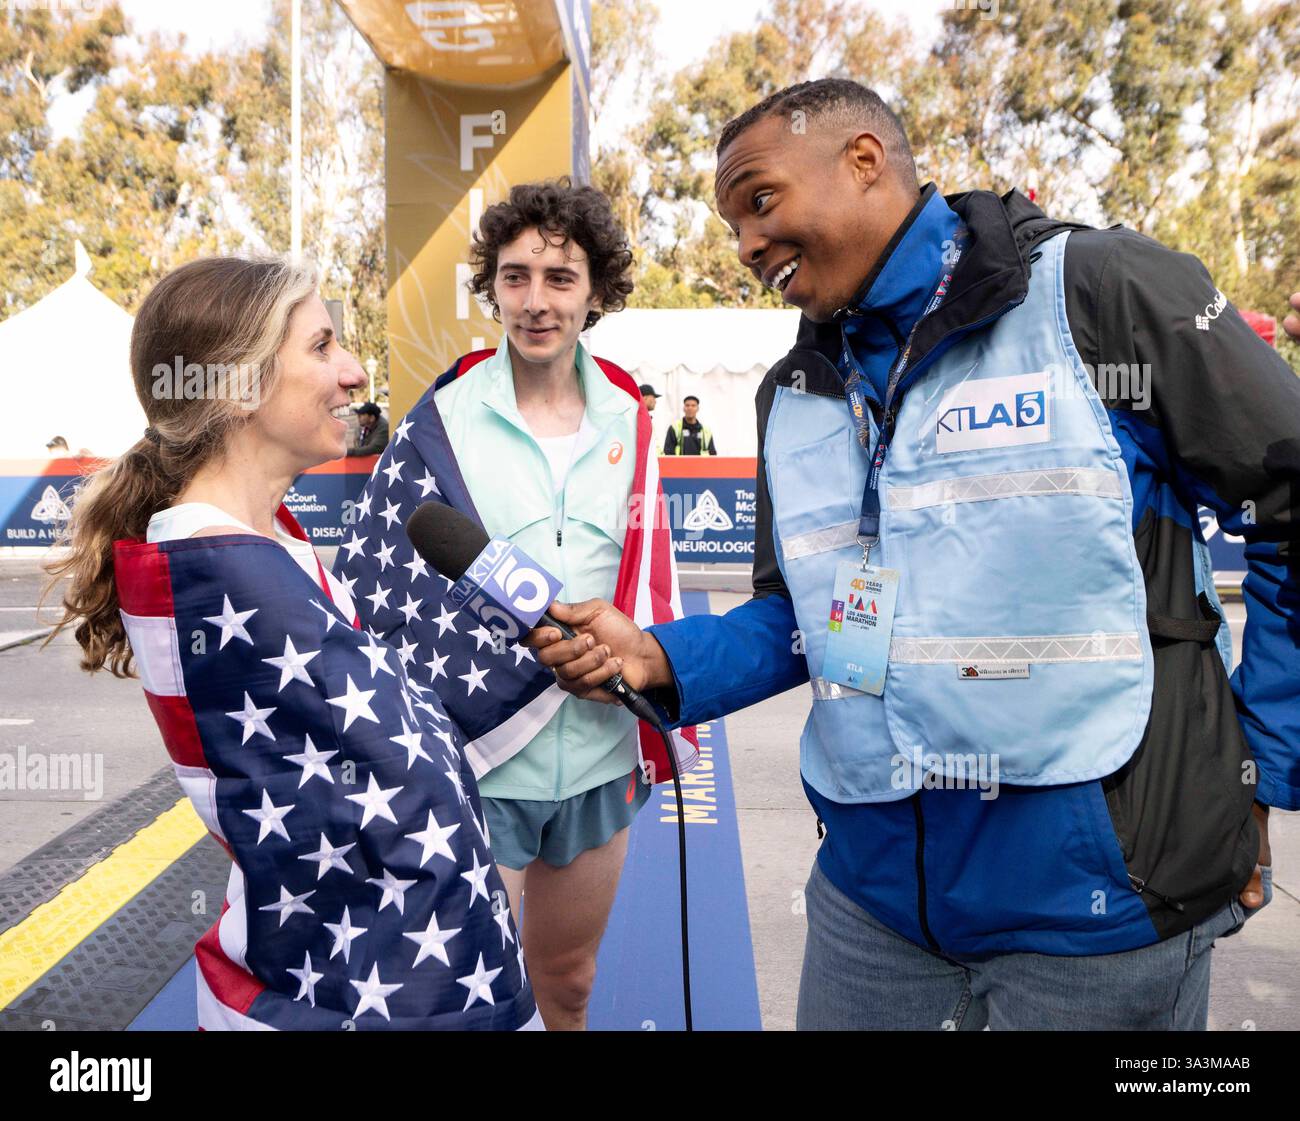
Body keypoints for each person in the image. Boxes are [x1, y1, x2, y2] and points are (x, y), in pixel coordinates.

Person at [527, 79, 1300, 1030]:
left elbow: (1290, 504)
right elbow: (803, 614)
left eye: (760, 201)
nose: (745, 246)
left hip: (1100, 919)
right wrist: (660, 657)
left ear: (865, 160)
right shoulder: (794, 392)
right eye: (732, 226)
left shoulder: (1101, 293)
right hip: (873, 909)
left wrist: (1259, 771)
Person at [45, 256, 537, 1031]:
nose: (352, 371)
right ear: (239, 382)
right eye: (321, 346)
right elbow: (407, 787)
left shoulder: (266, 546)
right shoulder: (229, 574)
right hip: (343, 997)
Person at [335, 180, 697, 1031]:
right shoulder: (442, 419)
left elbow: (647, 586)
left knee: (566, 980)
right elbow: (387, 590)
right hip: (476, 760)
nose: (536, 301)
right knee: (466, 997)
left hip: (602, 753)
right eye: (516, 275)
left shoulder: (634, 420)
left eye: (560, 278)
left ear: (597, 291)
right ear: (491, 285)